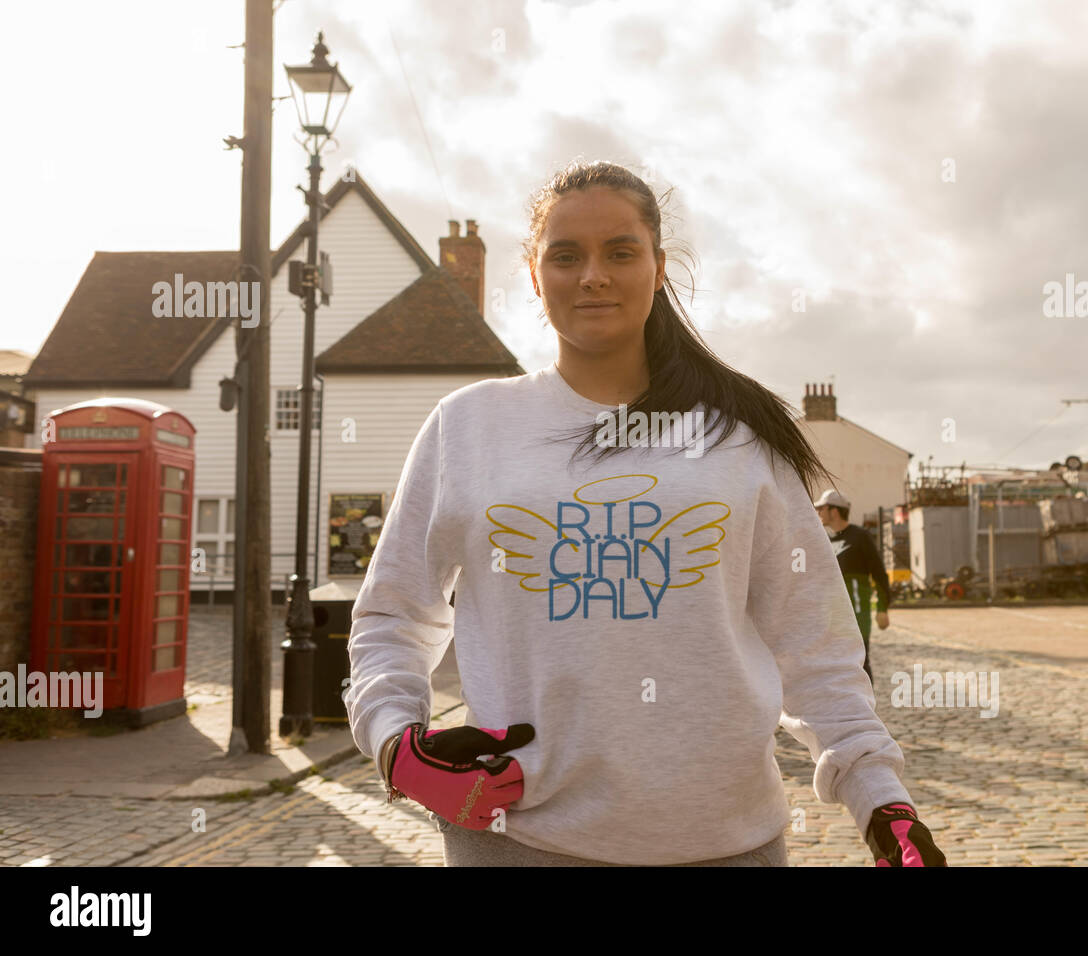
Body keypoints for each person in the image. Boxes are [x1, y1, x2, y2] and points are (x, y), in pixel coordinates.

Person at [344, 160, 945, 867]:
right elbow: (392, 617)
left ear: (659, 268)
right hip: (516, 842)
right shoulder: (467, 427)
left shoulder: (738, 437)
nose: (593, 275)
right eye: (565, 256)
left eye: (620, 252)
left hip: (726, 845)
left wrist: (881, 801)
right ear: (535, 277)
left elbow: (814, 645)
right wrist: (395, 744)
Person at [814, 490, 892, 682]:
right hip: (830, 617)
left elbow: (879, 574)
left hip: (858, 614)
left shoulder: (860, 537)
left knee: (859, 663)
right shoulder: (822, 540)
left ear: (834, 511)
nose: (818, 512)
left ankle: (866, 708)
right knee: (833, 665)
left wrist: (882, 608)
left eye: (821, 508)